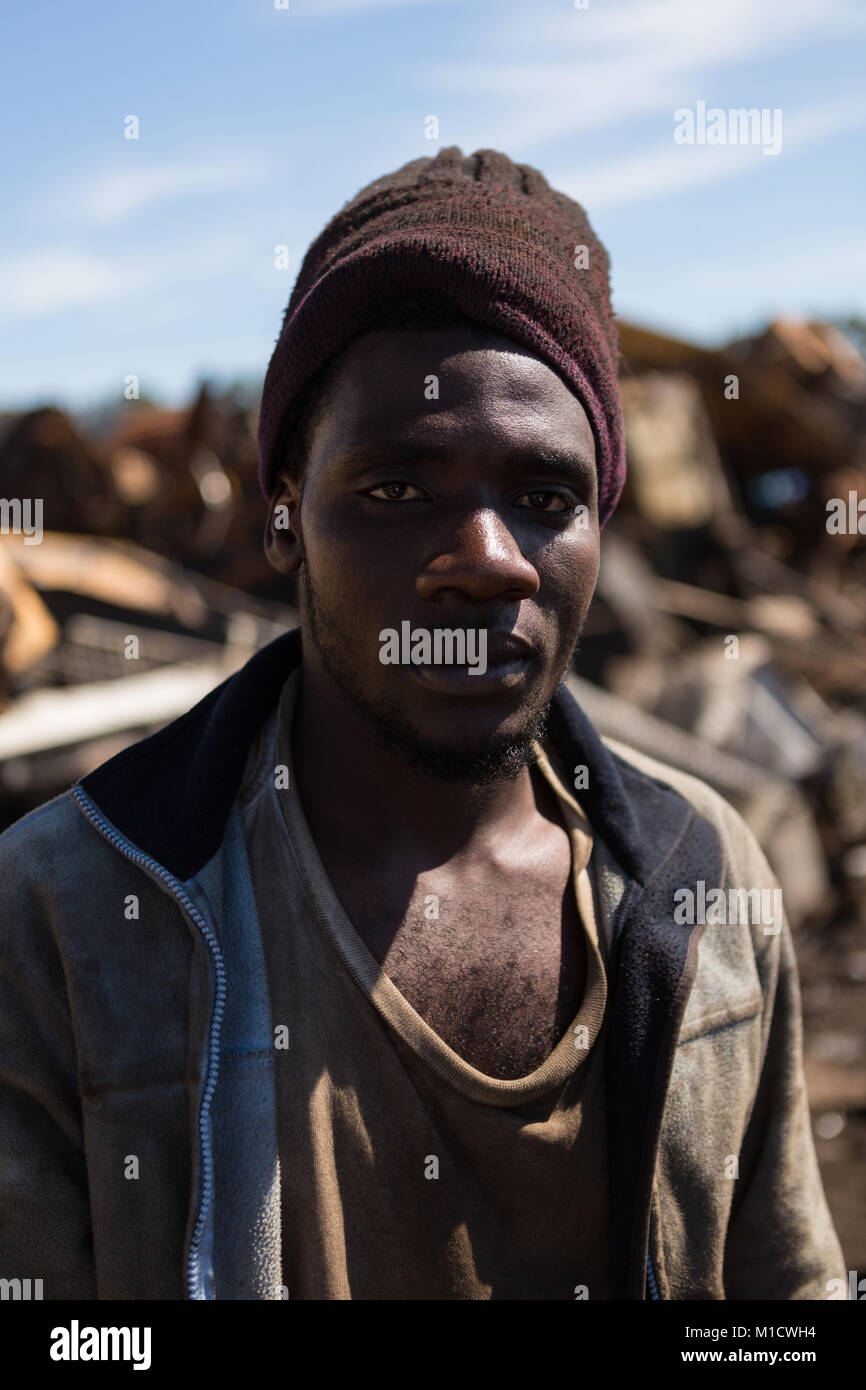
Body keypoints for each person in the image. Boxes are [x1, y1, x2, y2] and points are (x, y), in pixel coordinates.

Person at [0, 147, 847, 1300]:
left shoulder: (702, 882)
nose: (484, 562)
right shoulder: (68, 914)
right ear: (285, 519)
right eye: (397, 489)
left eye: (544, 498)